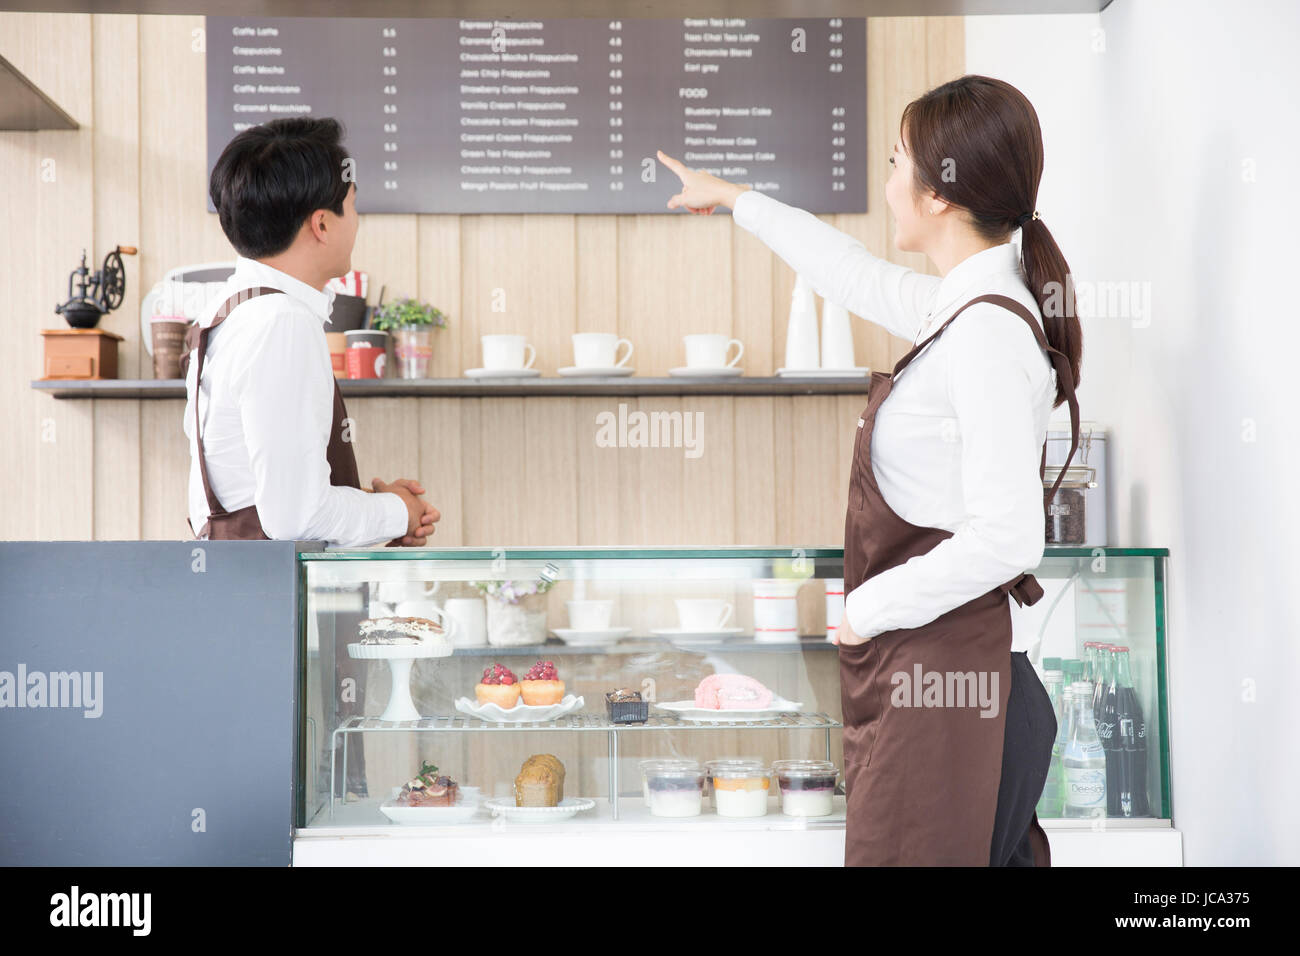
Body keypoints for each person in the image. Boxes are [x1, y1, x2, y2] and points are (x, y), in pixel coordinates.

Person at [658, 74, 1083, 866]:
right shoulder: (963, 307)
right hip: (948, 678)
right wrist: (735, 198)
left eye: (895, 164)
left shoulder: (986, 333)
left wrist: (867, 608)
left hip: (968, 687)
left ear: (938, 197)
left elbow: (1008, 537)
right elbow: (846, 271)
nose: (885, 186)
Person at [184, 116, 438, 547]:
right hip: (270, 602)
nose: (357, 222)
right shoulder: (281, 322)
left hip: (240, 587)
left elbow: (259, 497)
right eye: (353, 206)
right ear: (322, 225)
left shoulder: (228, 311)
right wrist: (400, 510)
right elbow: (297, 519)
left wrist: (379, 514)